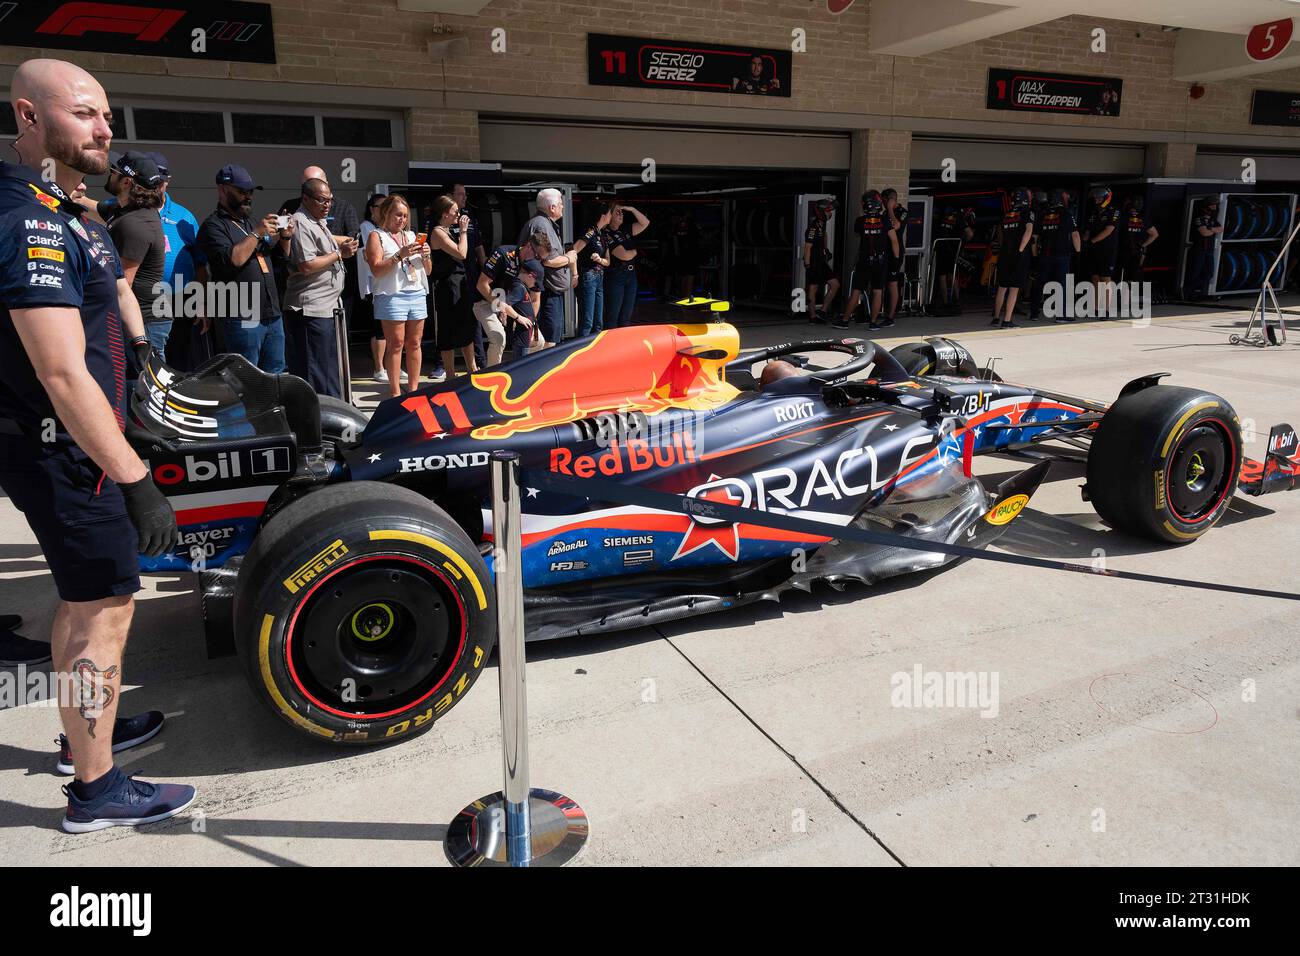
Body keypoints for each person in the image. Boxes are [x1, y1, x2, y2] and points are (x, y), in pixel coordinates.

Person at [1, 58, 193, 830]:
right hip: (63, 451)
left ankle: (82, 740)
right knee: (105, 616)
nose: (104, 129)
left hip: (71, 444)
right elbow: (57, 370)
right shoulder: (28, 220)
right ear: (28, 116)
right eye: (84, 113)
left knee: (81, 608)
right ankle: (97, 792)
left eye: (107, 116)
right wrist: (134, 476)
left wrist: (140, 375)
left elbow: (102, 322)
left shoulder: (62, 206)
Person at [197, 164, 290, 372]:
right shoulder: (213, 226)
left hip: (271, 313)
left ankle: (271, 406)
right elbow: (234, 260)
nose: (248, 197)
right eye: (241, 191)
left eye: (250, 192)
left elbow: (277, 259)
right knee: (245, 378)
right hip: (242, 316)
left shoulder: (250, 223)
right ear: (223, 190)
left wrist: (285, 237)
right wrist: (257, 233)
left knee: (276, 374)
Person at [285, 178, 356, 398]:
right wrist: (338, 254)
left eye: (330, 201)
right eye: (321, 200)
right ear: (305, 198)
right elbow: (306, 265)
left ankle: (334, 412)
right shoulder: (300, 222)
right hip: (311, 310)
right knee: (316, 372)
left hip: (327, 307)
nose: (327, 205)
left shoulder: (317, 222)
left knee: (329, 369)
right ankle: (319, 420)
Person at [365, 194, 431, 397]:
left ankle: (413, 390)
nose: (402, 220)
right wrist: (398, 255)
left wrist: (427, 255)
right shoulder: (377, 236)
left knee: (415, 342)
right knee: (396, 344)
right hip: (391, 294)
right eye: (398, 215)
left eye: (405, 216)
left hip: (417, 291)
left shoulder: (411, 236)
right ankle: (395, 393)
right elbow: (376, 269)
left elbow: (427, 271)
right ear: (386, 213)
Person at [104, 154, 168, 357]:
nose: (109, 174)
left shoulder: (135, 224)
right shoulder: (126, 211)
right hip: (142, 317)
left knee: (140, 385)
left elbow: (122, 286)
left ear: (126, 182)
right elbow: (90, 207)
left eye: (113, 172)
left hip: (143, 321)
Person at [476, 233, 551, 364]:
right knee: (499, 338)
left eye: (542, 260)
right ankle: (492, 378)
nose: (538, 262)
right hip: (486, 300)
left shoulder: (533, 267)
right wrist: (502, 308)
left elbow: (535, 299)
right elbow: (481, 284)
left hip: (511, 305)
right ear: (528, 246)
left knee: (538, 341)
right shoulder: (503, 254)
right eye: (537, 256)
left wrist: (530, 322)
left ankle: (518, 371)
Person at [519, 188, 578, 346]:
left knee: (551, 335)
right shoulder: (541, 225)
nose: (563, 207)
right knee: (549, 338)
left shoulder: (544, 223)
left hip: (549, 292)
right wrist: (568, 258)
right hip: (546, 293)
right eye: (560, 204)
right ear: (551, 207)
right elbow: (548, 260)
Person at [428, 194, 478, 377]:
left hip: (459, 282)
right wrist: (463, 232)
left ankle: (472, 368)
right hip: (447, 285)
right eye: (455, 212)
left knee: (466, 324)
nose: (458, 215)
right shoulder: (438, 232)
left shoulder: (447, 230)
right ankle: (450, 373)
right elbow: (461, 253)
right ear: (444, 213)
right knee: (448, 328)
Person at [357, 193, 403, 385]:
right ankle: (379, 367)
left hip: (394, 284)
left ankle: (394, 365)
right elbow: (375, 256)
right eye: (382, 206)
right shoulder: (368, 228)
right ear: (372, 209)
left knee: (396, 333)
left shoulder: (395, 231)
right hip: (373, 283)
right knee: (379, 329)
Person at [837, 190, 894, 330]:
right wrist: (897, 260)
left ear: (865, 204)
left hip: (864, 260)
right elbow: (894, 240)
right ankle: (873, 322)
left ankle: (845, 320)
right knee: (877, 291)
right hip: (880, 261)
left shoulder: (860, 221)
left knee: (856, 290)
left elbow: (858, 233)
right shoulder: (885, 220)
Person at [450, 184, 488, 368]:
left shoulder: (469, 215)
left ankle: (480, 361)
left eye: (466, 194)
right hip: (451, 276)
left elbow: (478, 245)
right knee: (450, 319)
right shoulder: (440, 218)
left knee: (474, 316)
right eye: (461, 194)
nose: (465, 197)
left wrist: (487, 269)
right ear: (450, 195)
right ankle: (442, 364)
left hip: (471, 275)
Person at [1034, 189, 1082, 323]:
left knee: (1040, 284)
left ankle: (1034, 313)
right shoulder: (1067, 214)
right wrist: (1078, 253)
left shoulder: (1043, 214)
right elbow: (1075, 235)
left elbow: (1035, 236)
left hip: (1044, 254)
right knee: (1062, 285)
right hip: (1061, 255)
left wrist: (1034, 255)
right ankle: (1061, 315)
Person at [991, 187, 1035, 329]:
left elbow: (999, 231)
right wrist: (1021, 249)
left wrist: (1004, 246)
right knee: (1014, 288)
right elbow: (1028, 231)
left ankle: (996, 318)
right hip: (1018, 254)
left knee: (1002, 287)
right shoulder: (1028, 212)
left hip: (1005, 253)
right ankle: (1007, 321)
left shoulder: (1007, 213)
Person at [603, 203, 650, 330]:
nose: (621, 214)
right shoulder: (606, 233)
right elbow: (624, 255)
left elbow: (645, 223)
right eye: (617, 212)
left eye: (622, 212)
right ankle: (611, 343)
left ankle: (622, 344)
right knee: (613, 315)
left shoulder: (624, 229)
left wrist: (632, 208)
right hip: (616, 276)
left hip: (631, 275)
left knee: (626, 315)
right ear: (609, 215)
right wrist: (635, 252)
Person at [574, 202, 612, 336]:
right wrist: (574, 273)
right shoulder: (590, 231)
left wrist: (599, 259)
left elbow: (608, 261)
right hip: (588, 276)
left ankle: (595, 351)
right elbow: (574, 250)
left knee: (598, 322)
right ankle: (580, 350)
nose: (611, 216)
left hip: (599, 277)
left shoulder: (603, 235)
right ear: (603, 216)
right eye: (609, 213)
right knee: (587, 321)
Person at [1085, 186, 1121, 318]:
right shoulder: (1094, 212)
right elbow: (1088, 231)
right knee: (1094, 278)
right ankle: (1095, 308)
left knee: (1105, 279)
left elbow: (1109, 230)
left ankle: (1106, 309)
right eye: (1095, 197)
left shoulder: (1114, 211)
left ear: (1106, 198)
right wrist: (1084, 241)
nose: (1096, 199)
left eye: (1099, 197)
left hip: (1107, 251)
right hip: (1093, 251)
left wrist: (1092, 241)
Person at [803, 199, 839, 323]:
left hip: (822, 262)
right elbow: (807, 247)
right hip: (813, 263)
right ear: (821, 212)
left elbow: (825, 235)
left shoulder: (822, 224)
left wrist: (825, 249)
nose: (831, 213)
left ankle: (823, 311)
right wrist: (807, 266)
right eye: (828, 211)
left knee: (835, 284)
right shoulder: (813, 228)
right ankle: (812, 316)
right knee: (813, 288)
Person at [1184, 198, 1223, 300]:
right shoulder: (1199, 219)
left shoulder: (1212, 220)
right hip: (1198, 250)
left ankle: (1192, 290)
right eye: (1212, 205)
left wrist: (1211, 229)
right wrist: (1213, 230)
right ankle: (1188, 293)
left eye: (1215, 205)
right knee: (1195, 273)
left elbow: (1220, 229)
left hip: (1209, 250)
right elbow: (1204, 233)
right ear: (1206, 207)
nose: (1215, 207)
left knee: (1209, 273)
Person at [1119, 195, 1158, 288]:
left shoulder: (1122, 218)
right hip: (1137, 252)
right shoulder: (1143, 219)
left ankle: (1119, 298)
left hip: (1123, 251)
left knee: (1121, 276)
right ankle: (1129, 300)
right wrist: (1143, 246)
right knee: (1132, 277)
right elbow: (1155, 234)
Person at [882, 188, 908, 326]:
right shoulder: (885, 213)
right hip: (885, 251)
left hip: (896, 253)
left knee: (893, 283)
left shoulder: (903, 212)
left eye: (885, 201)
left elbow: (896, 225)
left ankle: (891, 316)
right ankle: (881, 311)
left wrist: (890, 209)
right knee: (882, 282)